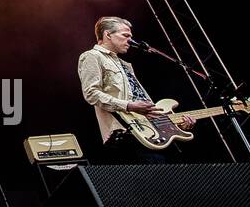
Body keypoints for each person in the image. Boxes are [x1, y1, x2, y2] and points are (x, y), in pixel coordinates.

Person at [78, 17, 192, 164]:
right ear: (107, 35)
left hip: (150, 133)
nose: (131, 41)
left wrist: (176, 124)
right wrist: (129, 106)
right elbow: (91, 94)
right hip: (125, 133)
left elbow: (146, 108)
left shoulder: (125, 64)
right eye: (126, 35)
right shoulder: (92, 56)